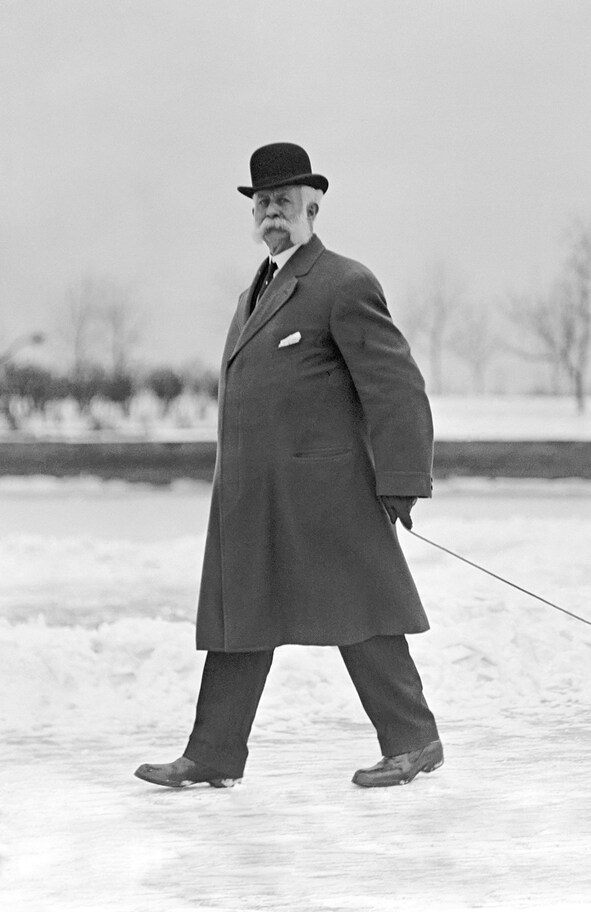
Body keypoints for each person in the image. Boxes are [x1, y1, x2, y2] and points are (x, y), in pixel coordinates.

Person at [135, 142, 441, 790]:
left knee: (363, 616)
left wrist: (403, 482)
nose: (274, 212)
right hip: (254, 496)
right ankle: (213, 750)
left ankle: (414, 741)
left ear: (314, 205)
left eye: (286, 201)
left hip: (327, 494)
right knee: (239, 620)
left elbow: (395, 387)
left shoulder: (344, 282)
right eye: (264, 202)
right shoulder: (259, 289)